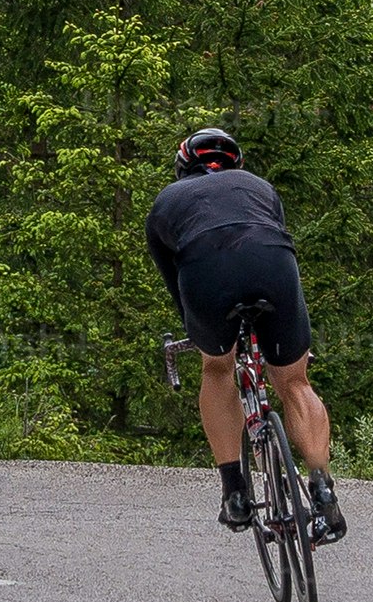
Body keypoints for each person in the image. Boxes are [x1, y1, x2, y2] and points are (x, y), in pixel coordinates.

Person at [146, 126, 344, 542]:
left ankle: (234, 491)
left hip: (206, 271)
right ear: (236, 165)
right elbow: (278, 240)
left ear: (183, 166)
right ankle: (324, 493)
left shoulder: (167, 201)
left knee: (216, 370)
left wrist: (204, 335)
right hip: (273, 264)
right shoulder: (261, 187)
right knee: (294, 380)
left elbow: (175, 282)